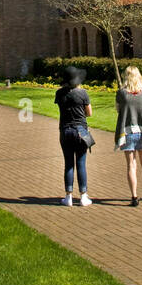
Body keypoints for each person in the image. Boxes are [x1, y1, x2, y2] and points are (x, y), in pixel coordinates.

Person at [115, 65, 142, 206]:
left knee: (131, 165)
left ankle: (134, 196)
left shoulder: (121, 94)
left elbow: (118, 109)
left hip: (127, 132)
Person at [54, 66, 93, 206]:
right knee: (81, 163)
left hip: (65, 130)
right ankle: (83, 196)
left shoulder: (59, 94)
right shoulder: (83, 93)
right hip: (80, 130)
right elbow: (89, 113)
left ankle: (68, 196)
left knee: (68, 164)